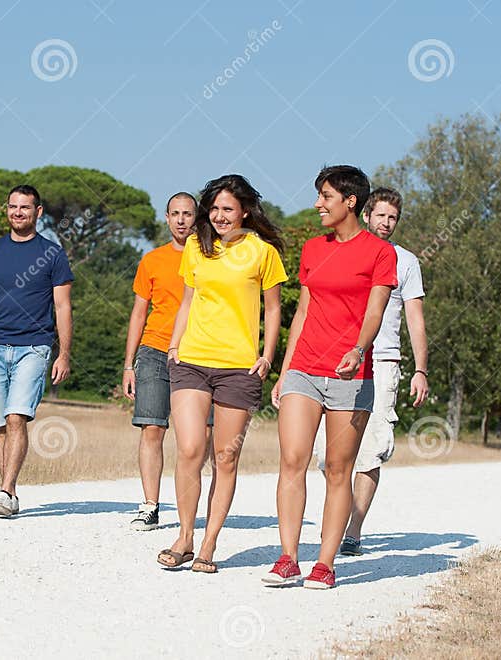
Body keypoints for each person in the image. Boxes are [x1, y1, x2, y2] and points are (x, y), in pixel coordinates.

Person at [264, 165, 396, 589]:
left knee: (338, 470)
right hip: (304, 367)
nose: (318, 204)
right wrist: (284, 372)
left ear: (350, 201)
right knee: (291, 460)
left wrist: (358, 348)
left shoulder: (380, 253)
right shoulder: (312, 250)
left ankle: (325, 562)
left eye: (326, 196)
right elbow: (301, 311)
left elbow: (375, 311)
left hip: (351, 376)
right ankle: (287, 557)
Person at [157, 174, 286, 573]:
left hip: (238, 367)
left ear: (244, 210)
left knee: (225, 459)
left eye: (227, 209)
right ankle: (185, 536)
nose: (218, 216)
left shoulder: (262, 252)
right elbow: (187, 301)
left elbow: (274, 308)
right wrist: (175, 346)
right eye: (213, 208)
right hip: (193, 360)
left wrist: (267, 356)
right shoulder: (196, 246)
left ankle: (210, 542)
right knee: (190, 450)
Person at [311, 187, 429, 556]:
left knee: (372, 449)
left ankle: (353, 531)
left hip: (383, 363)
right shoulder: (342, 251)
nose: (387, 223)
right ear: (365, 214)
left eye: (393, 218)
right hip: (339, 357)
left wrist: (420, 369)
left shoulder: (405, 262)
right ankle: (335, 517)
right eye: (381, 215)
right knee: (329, 453)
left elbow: (415, 317)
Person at [0, 185, 73, 518]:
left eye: (24, 207)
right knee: (0, 423)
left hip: (33, 348)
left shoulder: (53, 254)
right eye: (12, 206)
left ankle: (6, 490)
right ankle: (8, 489)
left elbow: (63, 307)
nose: (17, 212)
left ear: (38, 212)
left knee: (15, 417)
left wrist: (63, 353)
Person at [122, 192, 214, 531]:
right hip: (155, 350)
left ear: (196, 217)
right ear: (166, 217)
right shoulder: (152, 260)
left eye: (187, 214)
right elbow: (138, 313)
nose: (180, 220)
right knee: (152, 428)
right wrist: (129, 364)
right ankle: (150, 504)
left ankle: (189, 501)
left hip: (199, 352)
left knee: (202, 436)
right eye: (174, 214)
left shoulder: (210, 257)